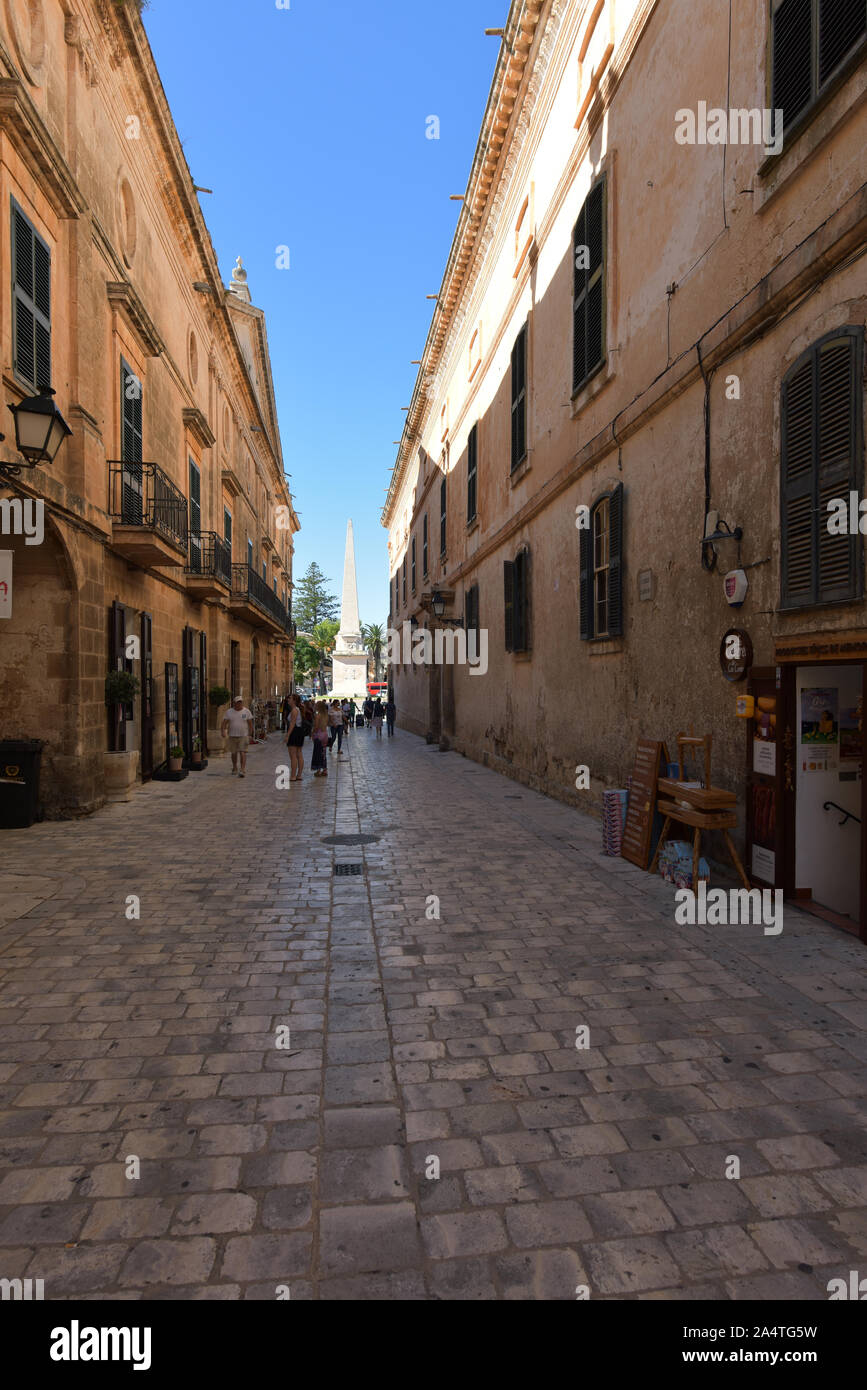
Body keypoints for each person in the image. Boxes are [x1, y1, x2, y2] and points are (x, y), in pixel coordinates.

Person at [221, 696, 253, 777]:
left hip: (243, 735)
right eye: (238, 702)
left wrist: (250, 734)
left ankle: (242, 770)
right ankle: (235, 767)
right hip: (232, 735)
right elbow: (224, 722)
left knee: (243, 752)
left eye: (240, 702)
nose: (239, 704)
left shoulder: (246, 711)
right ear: (234, 703)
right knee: (234, 753)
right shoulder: (229, 712)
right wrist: (223, 731)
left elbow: (250, 723)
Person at [285, 693, 305, 782]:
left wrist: (287, 735)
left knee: (293, 755)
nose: (288, 700)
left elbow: (292, 724)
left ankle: (293, 776)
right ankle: (299, 775)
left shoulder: (294, 710)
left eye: (290, 698)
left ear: (294, 700)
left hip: (294, 732)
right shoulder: (297, 709)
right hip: (299, 732)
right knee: (299, 754)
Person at [311, 701, 329, 777]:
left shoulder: (318, 715)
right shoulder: (326, 715)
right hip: (325, 734)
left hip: (318, 735)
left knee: (317, 752)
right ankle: (325, 769)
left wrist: (312, 733)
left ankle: (318, 770)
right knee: (323, 752)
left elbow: (316, 726)